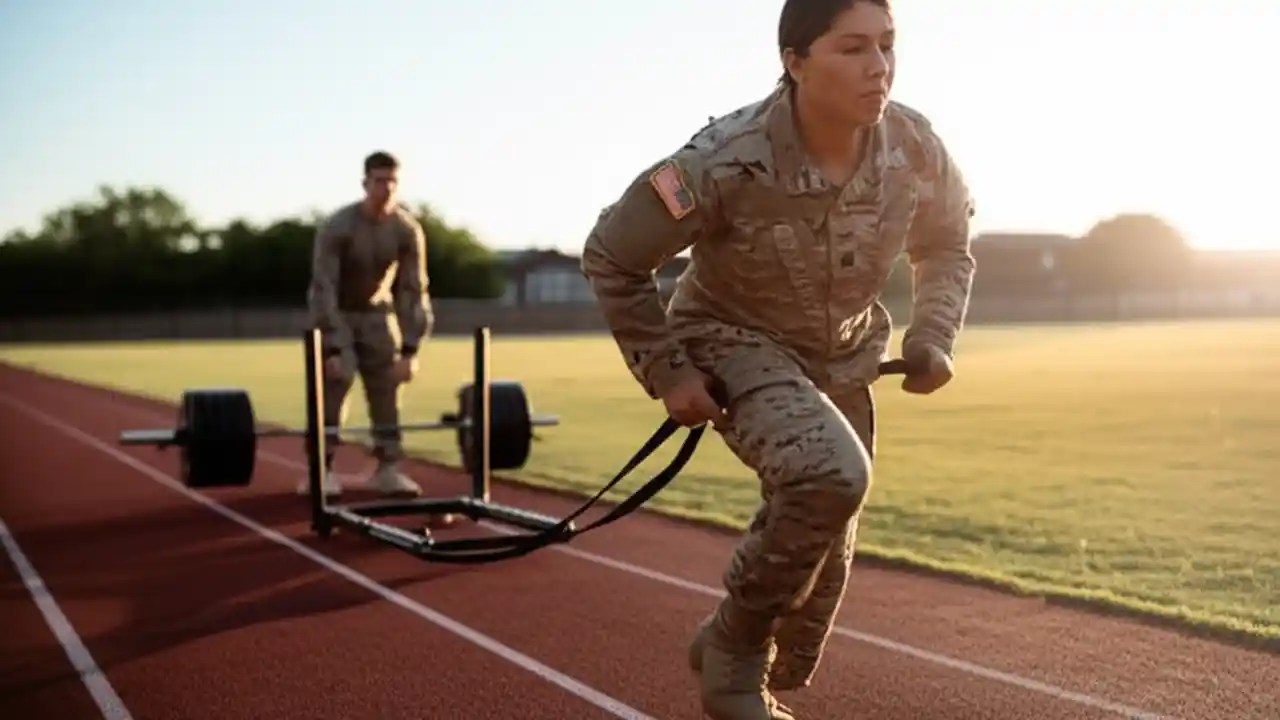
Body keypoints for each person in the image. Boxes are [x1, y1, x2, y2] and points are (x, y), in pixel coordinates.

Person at [580, 0, 975, 717]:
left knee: (822, 564)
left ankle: (728, 642)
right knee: (831, 474)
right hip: (734, 339)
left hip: (844, 355)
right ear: (795, 62)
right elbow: (612, 255)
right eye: (852, 48)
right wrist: (669, 372)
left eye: (887, 45)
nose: (879, 66)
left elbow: (947, 245)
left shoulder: (913, 147)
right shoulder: (722, 160)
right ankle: (733, 662)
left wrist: (933, 335)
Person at [301, 150, 434, 497]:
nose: (386, 188)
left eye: (392, 181)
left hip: (378, 317)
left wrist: (410, 348)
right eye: (379, 180)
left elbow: (413, 289)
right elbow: (323, 286)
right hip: (337, 315)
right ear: (365, 183)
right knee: (332, 388)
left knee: (387, 393)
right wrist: (332, 344)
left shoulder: (407, 230)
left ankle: (388, 467)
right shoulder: (339, 226)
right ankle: (323, 468)